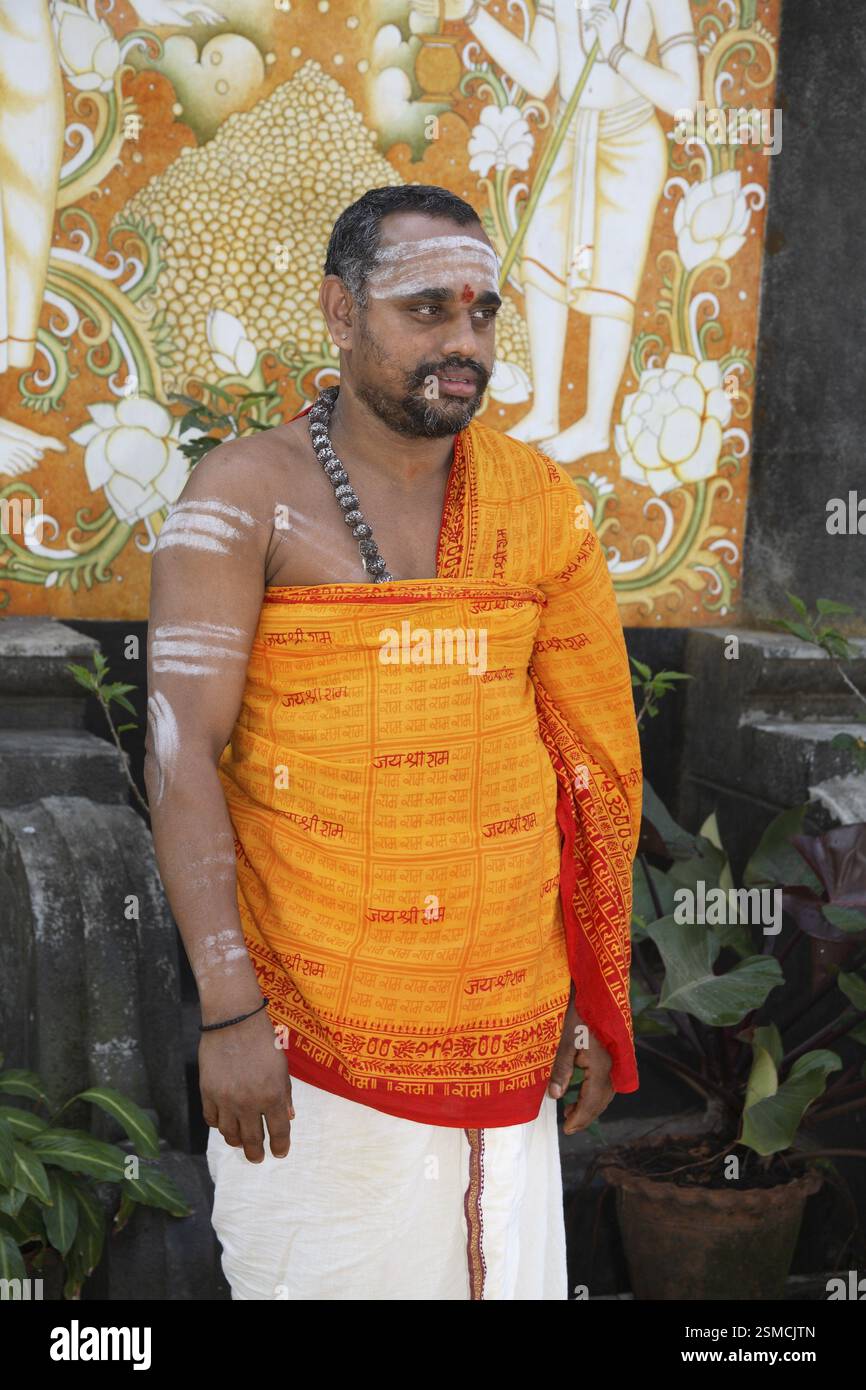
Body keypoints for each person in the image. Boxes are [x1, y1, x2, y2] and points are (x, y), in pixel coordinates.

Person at [145, 184, 643, 1300]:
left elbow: (589, 762)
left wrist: (592, 992)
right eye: (426, 310)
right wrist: (228, 1011)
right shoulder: (245, 495)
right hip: (309, 1042)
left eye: (481, 312)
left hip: (512, 1024)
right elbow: (181, 757)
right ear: (338, 310)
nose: (461, 343)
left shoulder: (537, 503)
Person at [412, 0, 699, 462]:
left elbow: (686, 97)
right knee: (543, 271)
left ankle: (594, 425)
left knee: (610, 284)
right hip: (568, 136)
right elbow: (540, 75)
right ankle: (546, 410)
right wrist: (472, 16)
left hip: (627, 146)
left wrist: (620, 53)